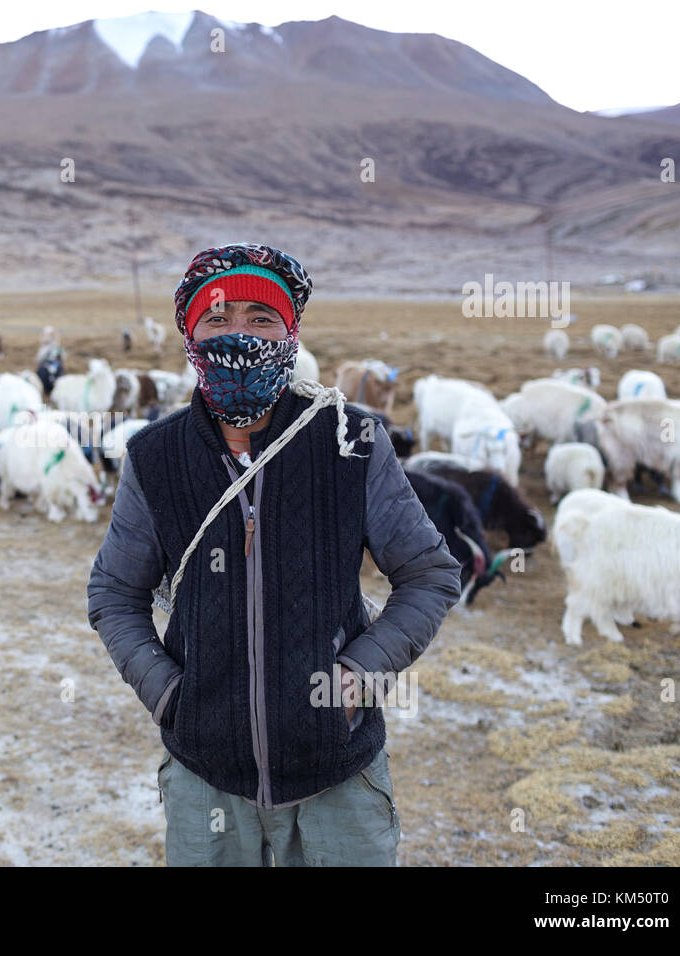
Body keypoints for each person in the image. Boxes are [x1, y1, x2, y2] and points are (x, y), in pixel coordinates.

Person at [86, 242, 461, 866]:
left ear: (291, 332)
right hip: (206, 782)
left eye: (261, 319)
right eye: (217, 318)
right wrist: (170, 696)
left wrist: (360, 676)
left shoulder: (352, 442)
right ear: (190, 335)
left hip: (337, 777)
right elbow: (114, 594)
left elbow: (428, 574)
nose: (238, 336)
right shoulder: (156, 457)